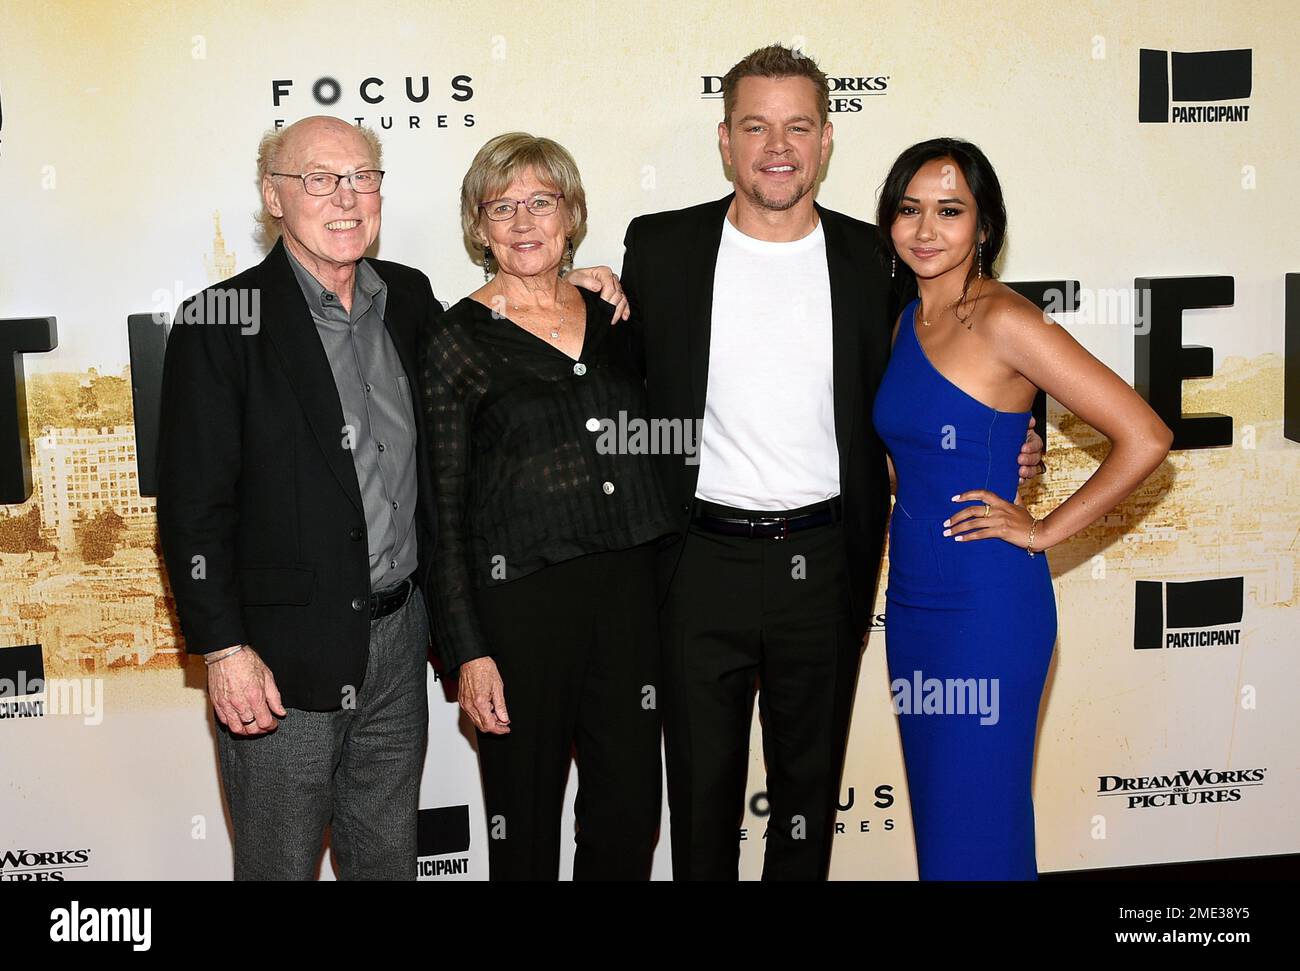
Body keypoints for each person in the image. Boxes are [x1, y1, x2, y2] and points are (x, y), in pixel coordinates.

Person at [157, 116, 625, 880]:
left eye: (362, 177)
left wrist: (561, 281)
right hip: (281, 660)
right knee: (277, 866)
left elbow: (494, 347)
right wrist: (224, 648)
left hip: (400, 640)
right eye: (318, 178)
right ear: (274, 197)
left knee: (388, 862)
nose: (345, 197)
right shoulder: (219, 324)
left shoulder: (407, 297)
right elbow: (191, 508)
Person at [619, 45, 1047, 880]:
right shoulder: (660, 248)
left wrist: (1023, 435)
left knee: (807, 811)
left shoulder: (873, 258)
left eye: (798, 126)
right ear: (724, 139)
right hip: (696, 563)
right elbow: (616, 372)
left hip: (823, 568)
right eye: (756, 125)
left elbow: (958, 351)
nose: (777, 145)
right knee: (700, 812)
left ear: (825, 141)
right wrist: (580, 288)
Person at [873, 137, 1173, 879]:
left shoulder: (1004, 319)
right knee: (948, 833)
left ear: (983, 227)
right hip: (913, 605)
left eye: (949, 210)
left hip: (988, 609)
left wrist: (1040, 529)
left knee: (980, 828)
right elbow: (905, 460)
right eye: (909, 209)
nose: (925, 228)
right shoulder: (905, 320)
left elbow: (1145, 434)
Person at [420, 132, 676, 880]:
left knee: (627, 817)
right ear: (479, 224)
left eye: (541, 201)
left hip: (630, 594)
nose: (524, 221)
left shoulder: (616, 315)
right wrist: (467, 650)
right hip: (519, 608)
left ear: (571, 214)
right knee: (523, 825)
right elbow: (442, 508)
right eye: (502, 206)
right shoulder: (453, 339)